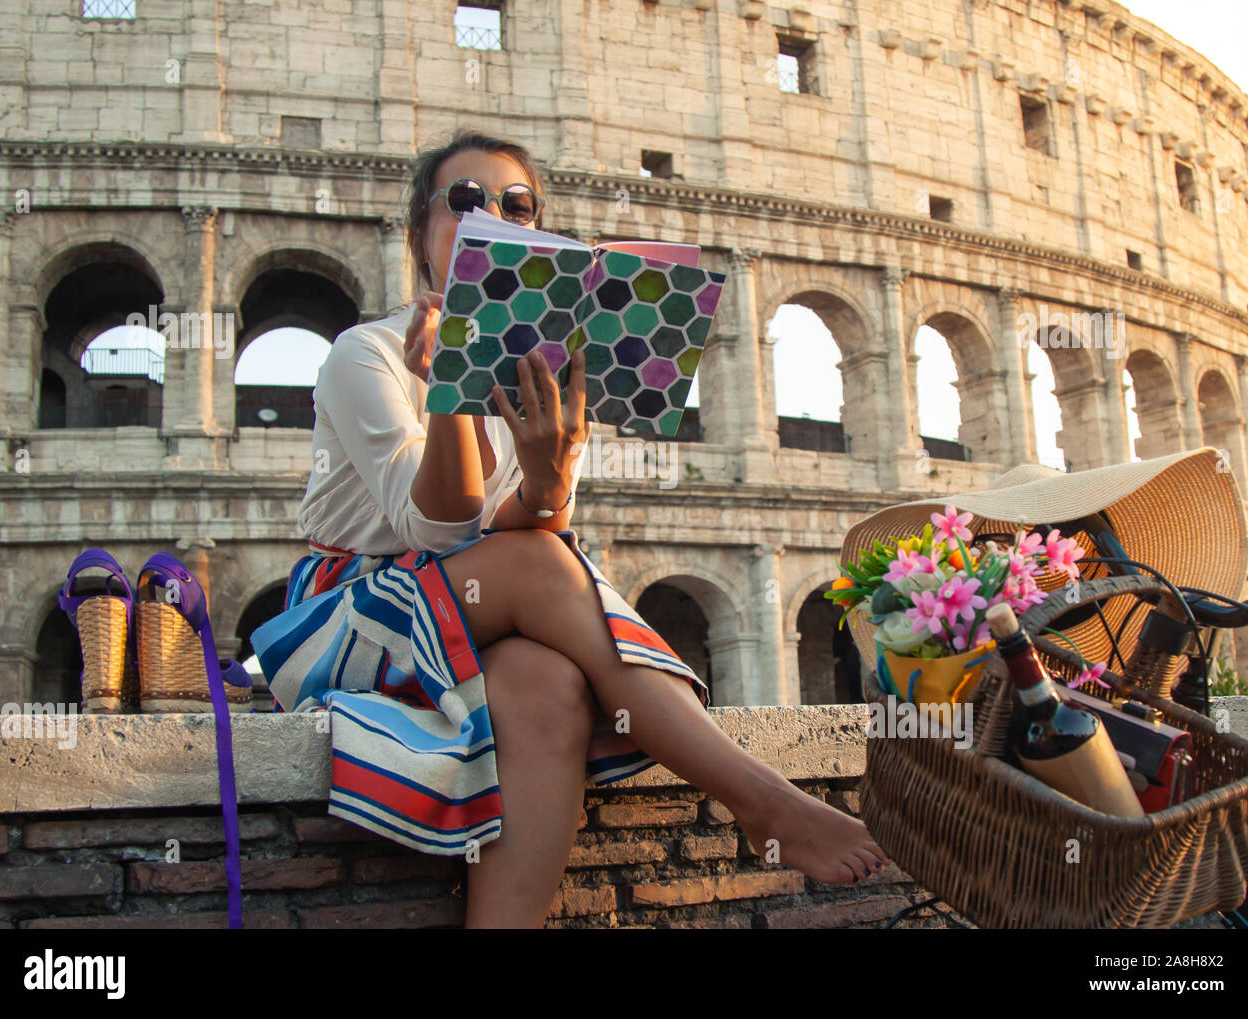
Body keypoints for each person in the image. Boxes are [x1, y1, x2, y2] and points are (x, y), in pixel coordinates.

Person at [253, 127, 892, 929]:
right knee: (538, 563)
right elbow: (436, 530)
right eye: (465, 200)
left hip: (471, 611)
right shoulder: (366, 354)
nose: (492, 214)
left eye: (516, 204)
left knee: (545, 685)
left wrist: (552, 471)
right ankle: (761, 799)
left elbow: (532, 524)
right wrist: (448, 389)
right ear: (420, 233)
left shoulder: (547, 371)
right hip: (348, 619)